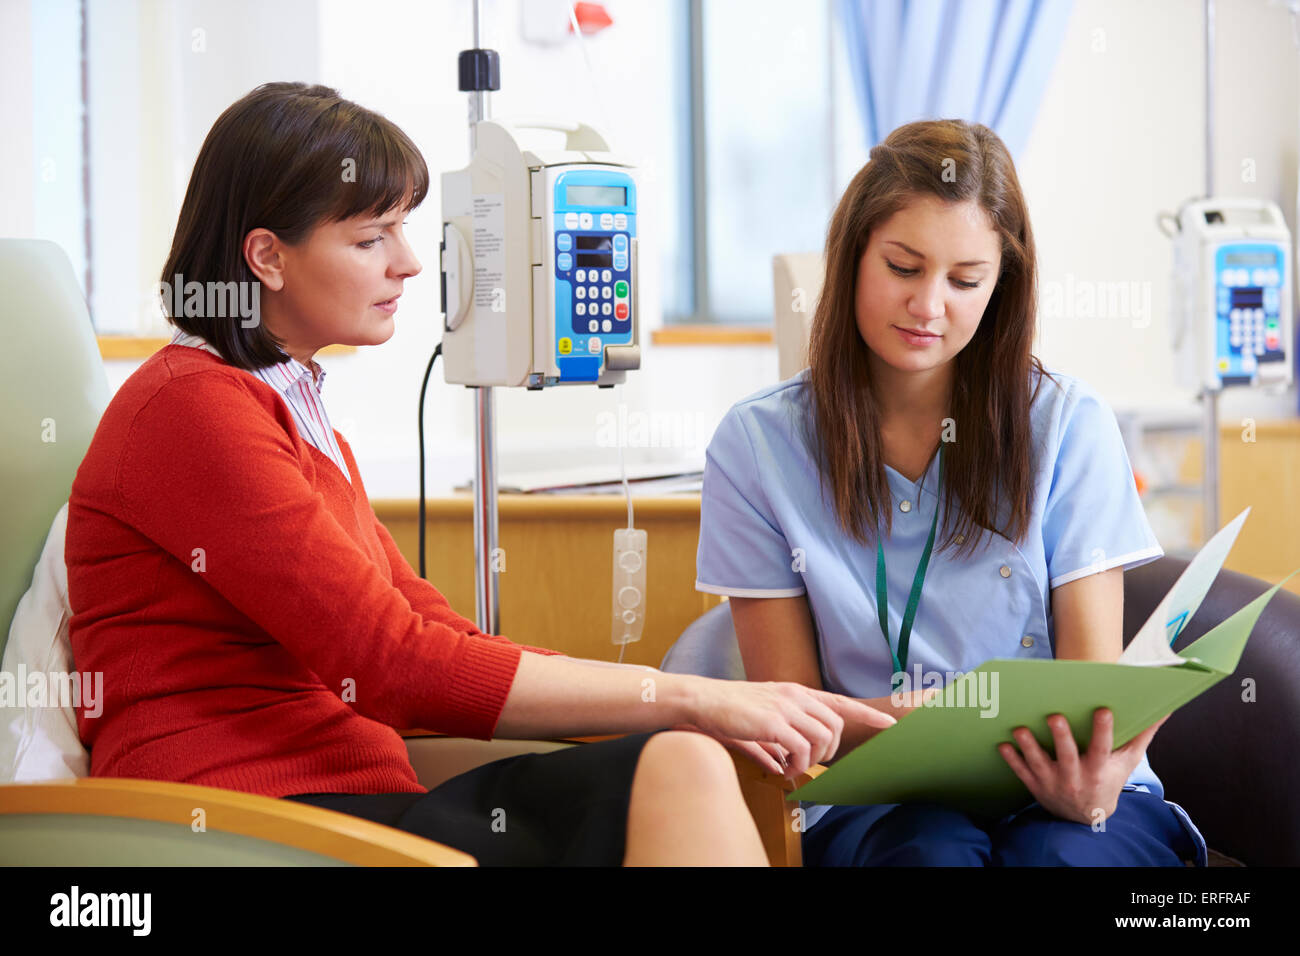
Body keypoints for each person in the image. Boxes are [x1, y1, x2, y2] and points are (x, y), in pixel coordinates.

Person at [64, 82, 897, 867]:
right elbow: (391, 663)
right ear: (267, 258)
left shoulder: (290, 409)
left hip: (344, 790)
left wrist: (725, 707)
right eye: (369, 238)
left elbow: (434, 632)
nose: (408, 264)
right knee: (677, 763)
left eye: (401, 229)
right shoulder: (191, 412)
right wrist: (689, 696)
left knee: (685, 758)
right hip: (233, 819)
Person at [695, 119, 1207, 867]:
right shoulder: (757, 447)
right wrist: (900, 722)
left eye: (966, 281)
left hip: (1069, 794)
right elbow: (791, 716)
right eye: (903, 267)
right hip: (880, 798)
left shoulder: (1067, 425)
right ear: (853, 258)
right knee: (928, 856)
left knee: (1058, 860)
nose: (930, 306)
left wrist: (1093, 782)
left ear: (1001, 286)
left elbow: (1090, 690)